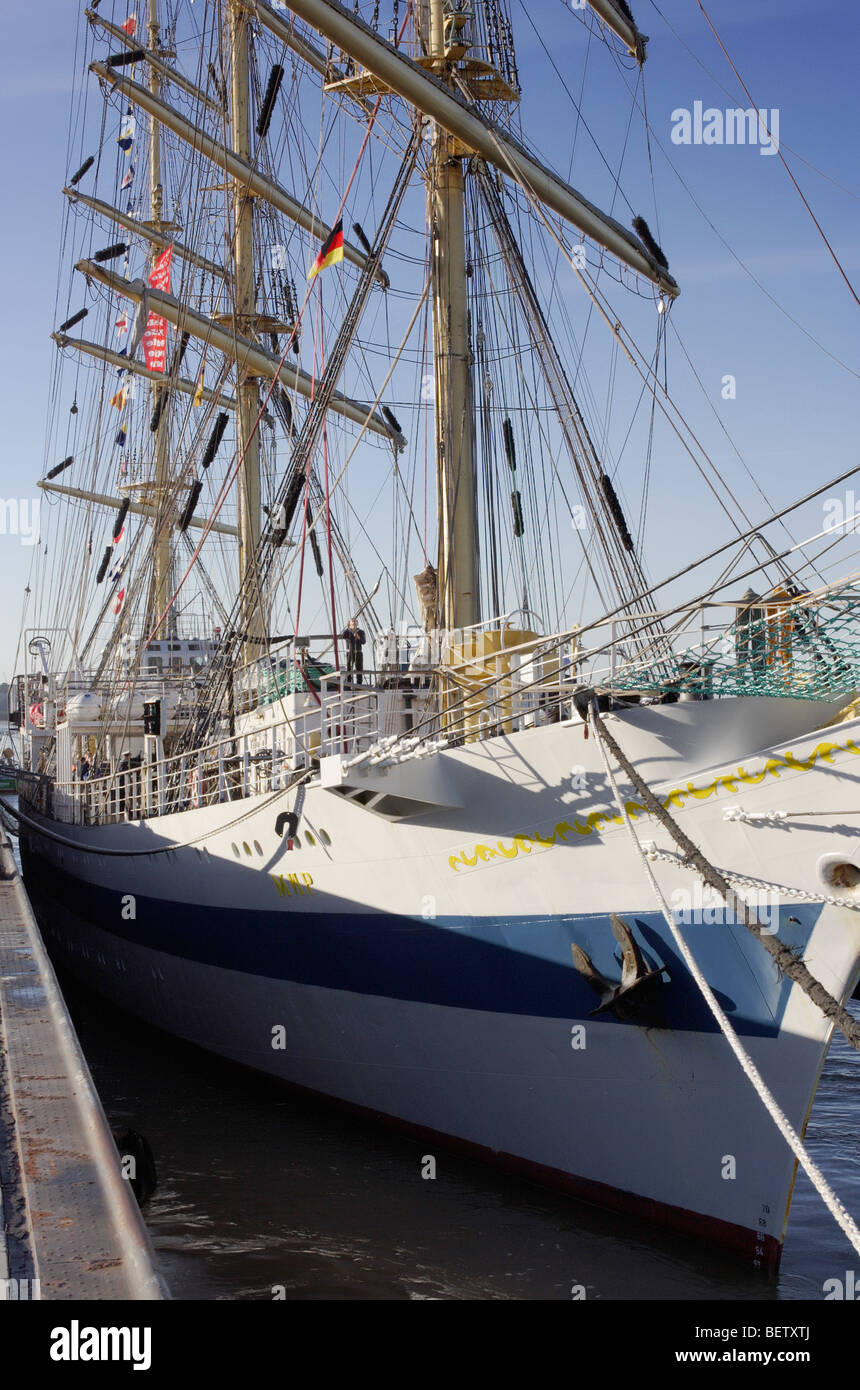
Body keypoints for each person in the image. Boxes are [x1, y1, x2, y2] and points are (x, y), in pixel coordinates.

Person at [341, 618, 366, 684]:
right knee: (349, 668)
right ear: (350, 624)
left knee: (359, 669)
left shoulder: (361, 632)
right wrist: (347, 628)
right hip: (349, 652)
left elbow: (363, 642)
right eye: (353, 623)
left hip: (358, 652)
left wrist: (358, 638)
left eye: (355, 623)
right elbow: (343, 636)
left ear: (357, 624)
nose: (354, 624)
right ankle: (349, 683)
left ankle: (359, 684)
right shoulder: (347, 632)